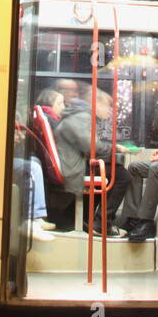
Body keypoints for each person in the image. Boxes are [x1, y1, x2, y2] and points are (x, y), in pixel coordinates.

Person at [54, 88, 131, 234]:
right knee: (122, 176)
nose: (110, 111)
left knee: (111, 170)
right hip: (73, 166)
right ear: (97, 104)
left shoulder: (80, 116)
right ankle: (102, 222)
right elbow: (91, 146)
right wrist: (116, 148)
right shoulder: (82, 117)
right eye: (108, 107)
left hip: (74, 161)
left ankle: (83, 218)